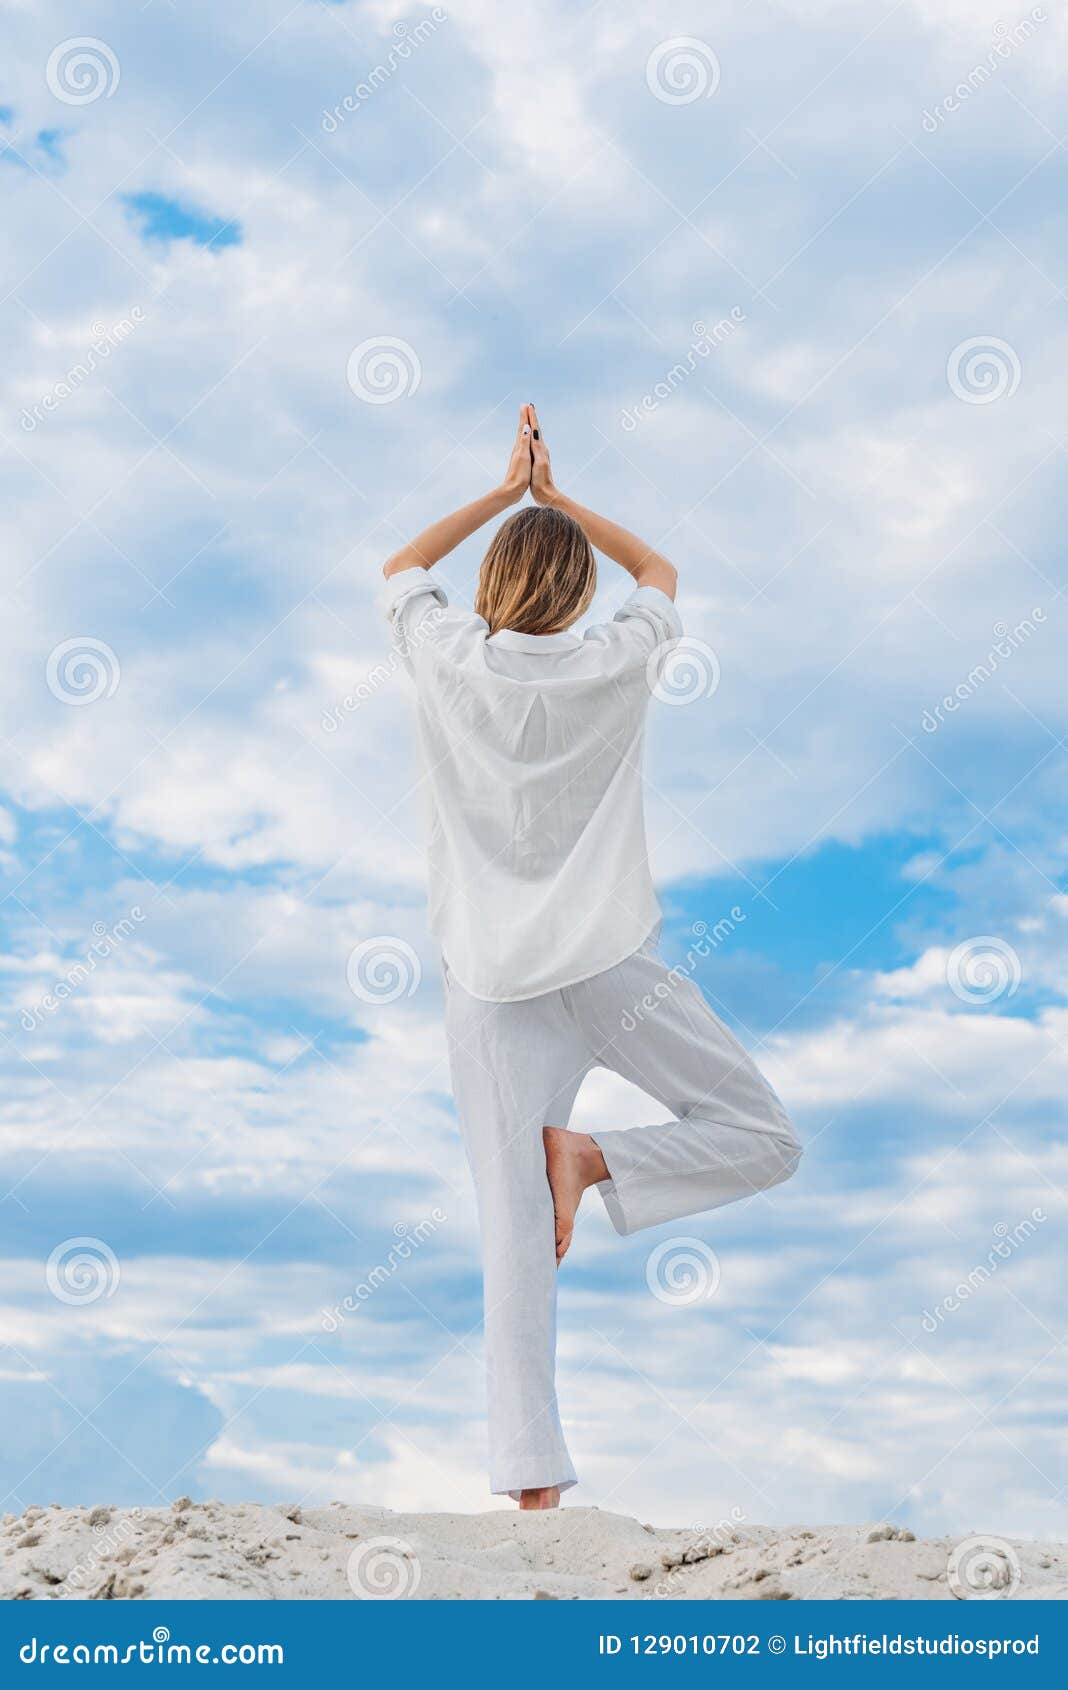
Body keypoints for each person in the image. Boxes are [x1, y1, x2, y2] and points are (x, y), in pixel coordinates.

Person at [382, 405, 801, 1510]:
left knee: (513, 1233)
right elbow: (660, 570)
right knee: (764, 1137)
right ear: (577, 593)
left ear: (491, 585)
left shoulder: (448, 657)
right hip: (611, 961)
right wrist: (559, 497)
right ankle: (596, 1159)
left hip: (489, 982)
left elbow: (402, 566)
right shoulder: (617, 659)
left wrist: (503, 492)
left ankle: (533, 1487)